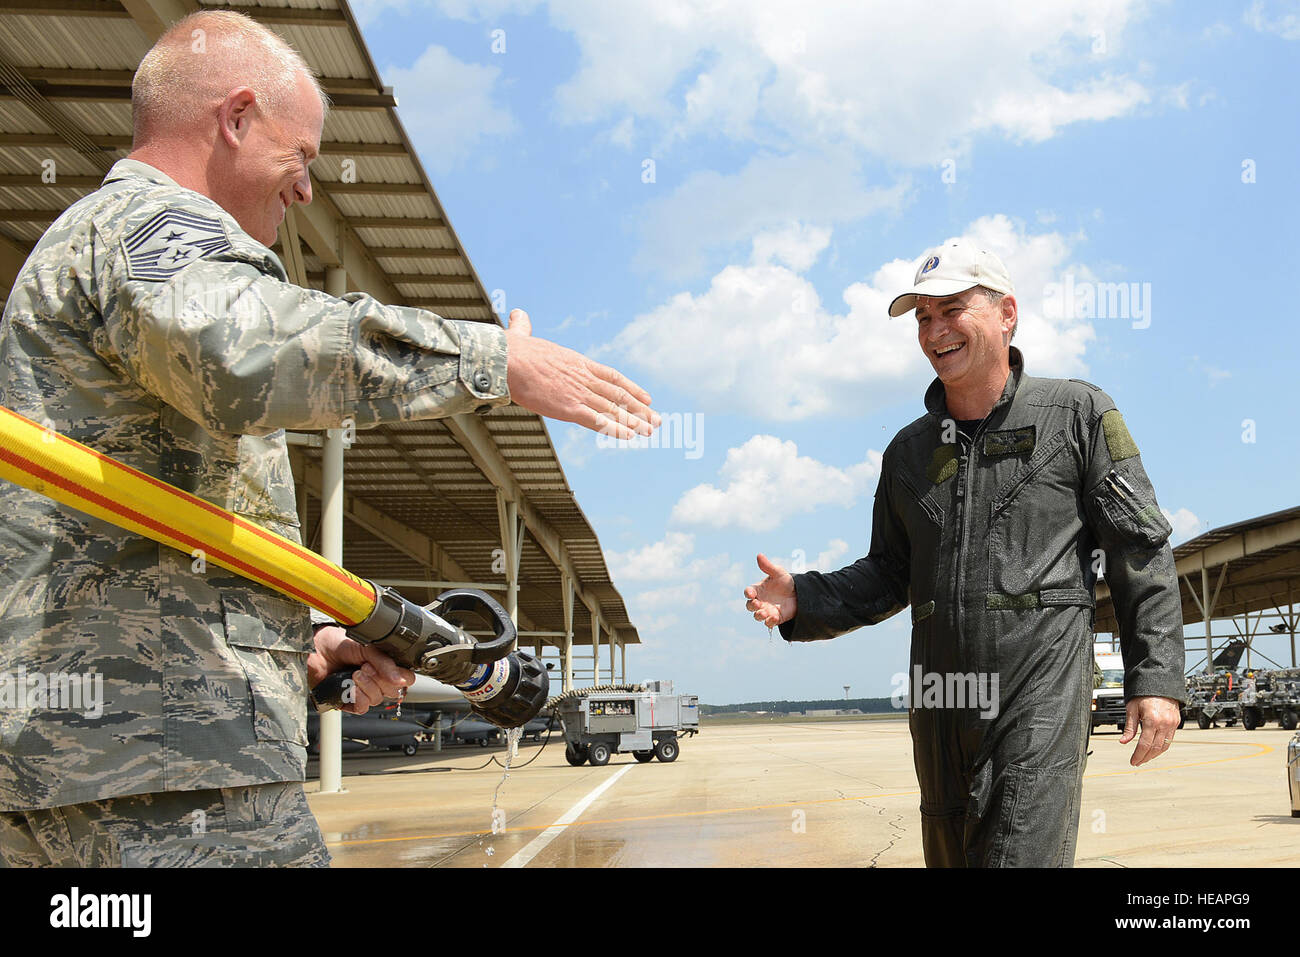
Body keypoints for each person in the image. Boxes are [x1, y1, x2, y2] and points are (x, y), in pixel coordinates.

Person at [0, 10, 656, 867]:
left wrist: (297, 644)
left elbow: (154, 540)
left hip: (122, 757)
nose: (307, 188)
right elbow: (242, 352)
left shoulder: (106, 250)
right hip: (163, 774)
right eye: (300, 155)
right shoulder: (146, 225)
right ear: (235, 119)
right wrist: (493, 360)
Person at [744, 240, 1186, 867]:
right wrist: (805, 598)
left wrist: (1157, 678)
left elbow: (1140, 550)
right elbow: (890, 573)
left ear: (1007, 312)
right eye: (923, 317)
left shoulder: (1079, 416)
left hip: (1038, 695)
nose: (934, 330)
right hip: (942, 702)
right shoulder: (908, 453)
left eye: (952, 308)